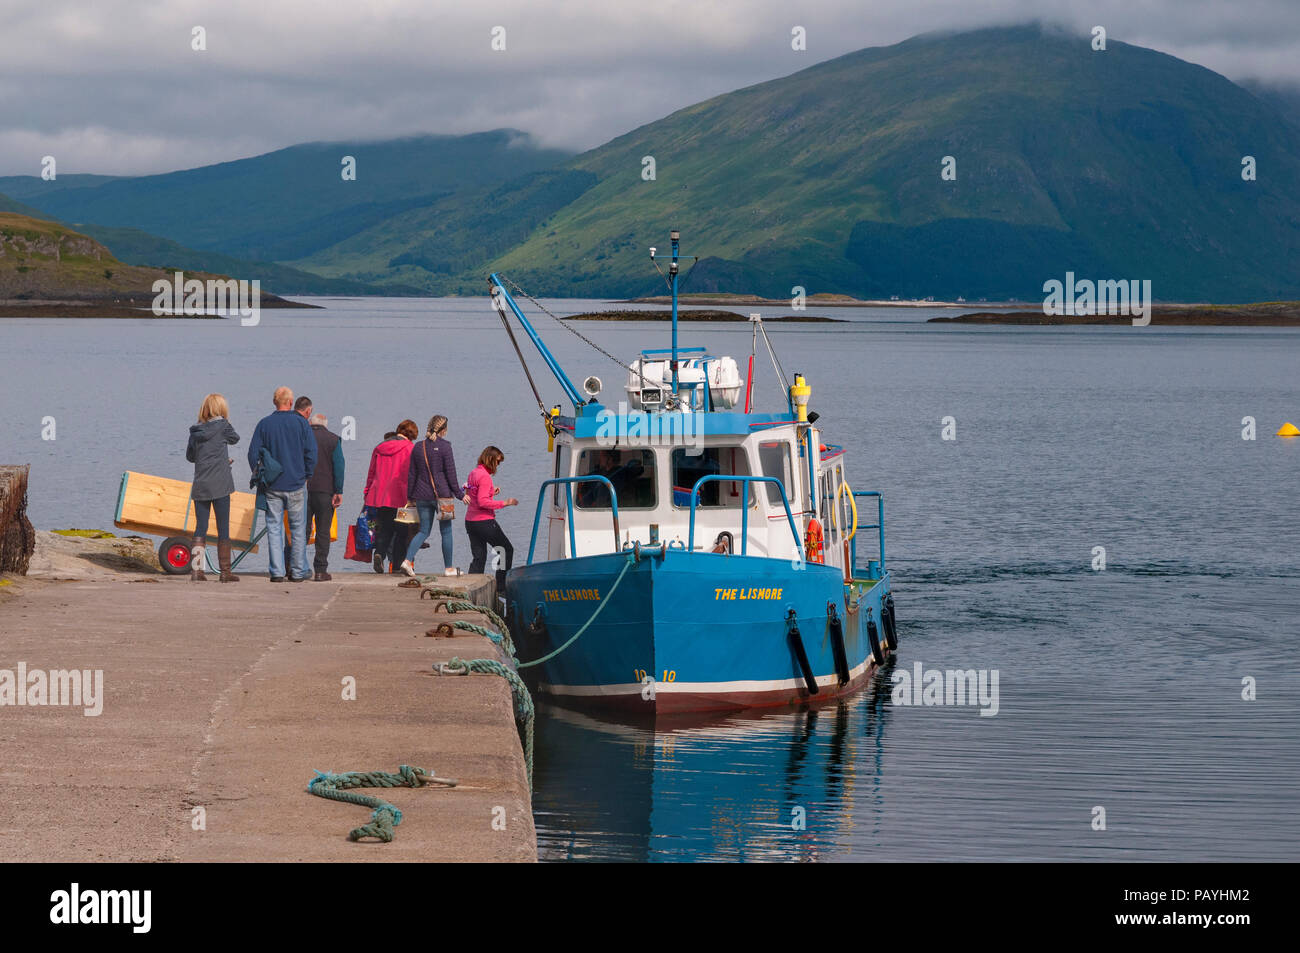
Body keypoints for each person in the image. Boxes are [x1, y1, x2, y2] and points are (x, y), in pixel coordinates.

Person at [247, 386, 317, 582]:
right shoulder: (301, 424)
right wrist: (307, 474)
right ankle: (297, 572)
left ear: (274, 402)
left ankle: (277, 572)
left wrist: (261, 473)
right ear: (291, 403)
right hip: (296, 483)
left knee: (274, 529)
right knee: (297, 530)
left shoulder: (264, 424)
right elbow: (311, 452)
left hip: (272, 485)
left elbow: (252, 454)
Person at [186, 393, 241, 583]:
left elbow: (191, 457)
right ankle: (225, 572)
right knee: (222, 527)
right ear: (221, 409)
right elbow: (235, 438)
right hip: (221, 484)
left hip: (201, 484)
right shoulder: (224, 426)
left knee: (200, 527)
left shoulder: (195, 431)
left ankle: (196, 571)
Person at [400, 414, 463, 576]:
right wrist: (460, 494)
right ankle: (449, 568)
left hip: (421, 495)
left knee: (423, 531)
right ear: (444, 430)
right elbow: (451, 474)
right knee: (446, 531)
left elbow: (412, 474)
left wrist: (410, 496)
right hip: (443, 496)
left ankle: (407, 561)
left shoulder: (418, 447)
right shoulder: (445, 447)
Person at [363, 419, 418, 573]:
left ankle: (379, 553)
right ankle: (398, 565)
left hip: (380, 495)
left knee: (384, 527)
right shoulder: (410, 449)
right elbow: (413, 474)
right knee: (402, 531)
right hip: (401, 496)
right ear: (412, 434)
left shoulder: (380, 447)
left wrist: (367, 492)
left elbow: (371, 472)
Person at [465, 445, 518, 593]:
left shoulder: (474, 473)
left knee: (479, 556)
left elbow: (474, 495)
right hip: (484, 522)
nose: (498, 466)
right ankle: (501, 586)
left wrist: (491, 492)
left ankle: (471, 587)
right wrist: (505, 503)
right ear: (491, 460)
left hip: (470, 521)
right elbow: (482, 502)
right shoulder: (485, 477)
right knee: (505, 550)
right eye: (498, 462)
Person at [305, 408, 345, 581]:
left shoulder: (303, 437)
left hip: (303, 489)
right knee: (323, 531)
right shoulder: (334, 439)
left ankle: (295, 567)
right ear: (325, 426)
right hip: (325, 491)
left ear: (310, 423)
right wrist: (338, 491)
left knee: (302, 529)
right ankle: (320, 570)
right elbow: (339, 467)